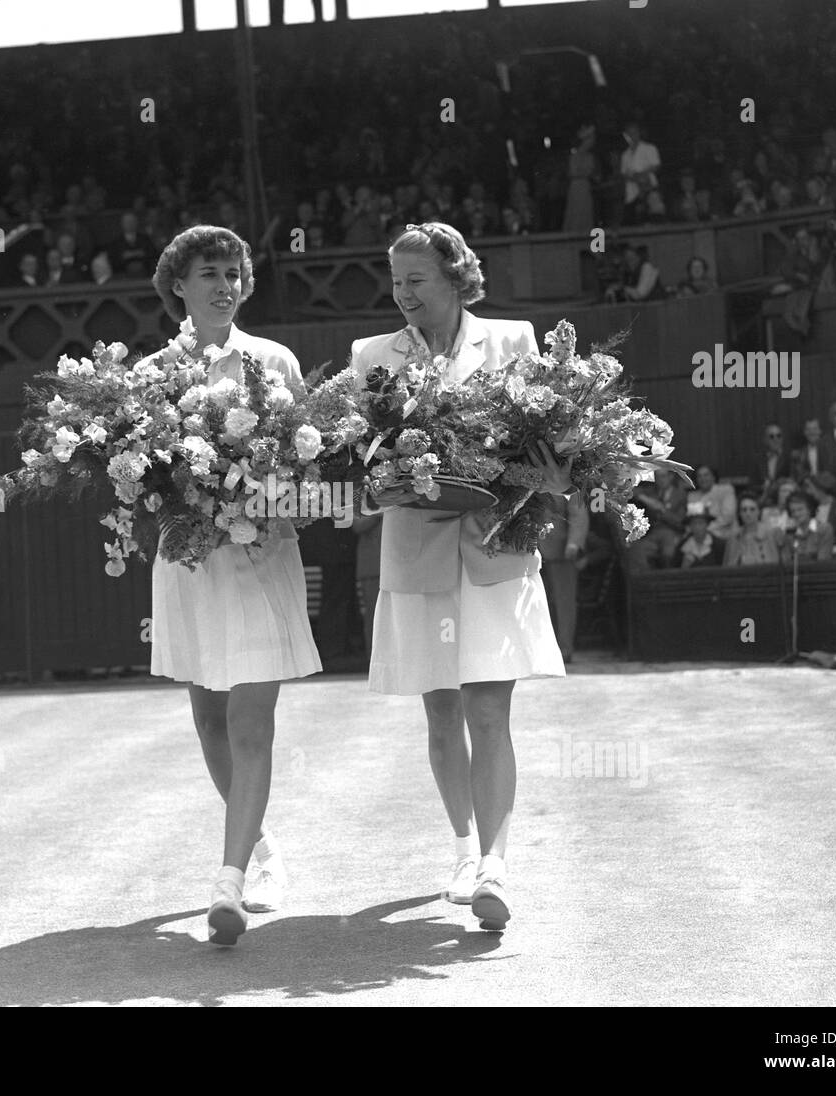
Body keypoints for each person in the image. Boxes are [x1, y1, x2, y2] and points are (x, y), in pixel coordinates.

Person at [351, 222, 569, 931]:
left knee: (488, 709)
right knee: (442, 712)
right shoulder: (371, 356)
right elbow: (357, 467)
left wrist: (547, 475)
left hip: (496, 549)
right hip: (416, 553)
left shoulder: (513, 341)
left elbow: (549, 447)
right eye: (395, 281)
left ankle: (496, 867)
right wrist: (377, 487)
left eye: (417, 279)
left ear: (454, 278)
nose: (404, 293)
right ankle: (462, 848)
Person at [143, 226, 321, 946]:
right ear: (178, 287)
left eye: (233, 272)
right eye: (208, 273)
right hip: (188, 564)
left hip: (258, 557)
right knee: (210, 721)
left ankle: (230, 880)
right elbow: (140, 483)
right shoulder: (154, 372)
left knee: (251, 724)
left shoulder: (274, 361)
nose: (224, 284)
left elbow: (308, 468)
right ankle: (264, 849)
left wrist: (268, 498)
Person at [540, 491, 588, 662]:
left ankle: (564, 650)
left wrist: (574, 543)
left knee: (564, 602)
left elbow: (578, 511)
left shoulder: (568, 473)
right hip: (525, 551)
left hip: (560, 551)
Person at [625, 468, 687, 571]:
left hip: (672, 531)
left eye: (663, 476)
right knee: (636, 551)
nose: (660, 480)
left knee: (668, 553)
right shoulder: (651, 492)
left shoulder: (680, 494)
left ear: (670, 477)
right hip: (653, 532)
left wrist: (661, 510)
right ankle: (648, 580)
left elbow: (679, 520)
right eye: (657, 477)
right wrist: (646, 499)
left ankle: (667, 581)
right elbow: (633, 491)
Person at [350, 510, 382, 656]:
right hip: (373, 566)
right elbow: (357, 524)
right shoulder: (358, 494)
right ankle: (373, 655)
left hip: (399, 564)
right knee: (374, 615)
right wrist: (381, 511)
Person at [619, 121, 661, 226]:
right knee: (632, 220)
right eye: (629, 134)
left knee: (653, 218)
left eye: (634, 133)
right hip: (632, 192)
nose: (632, 136)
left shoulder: (649, 148)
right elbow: (624, 174)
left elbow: (656, 166)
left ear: (639, 133)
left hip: (649, 189)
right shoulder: (625, 155)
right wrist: (634, 178)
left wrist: (641, 175)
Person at [723, 494, 784, 566]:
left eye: (752, 509)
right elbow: (727, 567)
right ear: (739, 513)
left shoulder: (772, 533)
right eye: (744, 510)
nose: (748, 513)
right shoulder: (733, 537)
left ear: (759, 511)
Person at [562, 125, 598, 233]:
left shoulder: (590, 156)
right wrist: (585, 173)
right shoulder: (575, 155)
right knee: (576, 210)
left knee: (586, 211)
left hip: (585, 186)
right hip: (577, 186)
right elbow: (573, 172)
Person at [103, 211, 159, 279]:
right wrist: (124, 257)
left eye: (132, 221)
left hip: (145, 271)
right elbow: (113, 259)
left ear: (136, 223)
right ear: (122, 224)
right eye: (127, 222)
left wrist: (142, 254)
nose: (130, 224)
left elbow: (153, 254)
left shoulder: (145, 239)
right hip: (122, 273)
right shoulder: (115, 242)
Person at [687, 464, 737, 540]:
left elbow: (728, 517)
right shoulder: (692, 496)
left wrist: (705, 529)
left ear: (713, 477)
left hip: (724, 534)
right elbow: (693, 520)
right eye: (699, 476)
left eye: (706, 475)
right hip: (700, 537)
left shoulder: (726, 490)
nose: (703, 478)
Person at [783, 491, 835, 561]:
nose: (796, 514)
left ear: (810, 509)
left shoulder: (824, 529)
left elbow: (823, 561)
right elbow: (787, 562)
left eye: (800, 509)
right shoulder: (790, 534)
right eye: (793, 511)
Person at [791, 418, 824, 482]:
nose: (812, 432)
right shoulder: (798, 454)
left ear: (820, 431)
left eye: (815, 429)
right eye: (808, 429)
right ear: (804, 432)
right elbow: (797, 477)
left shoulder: (830, 451)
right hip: (806, 487)